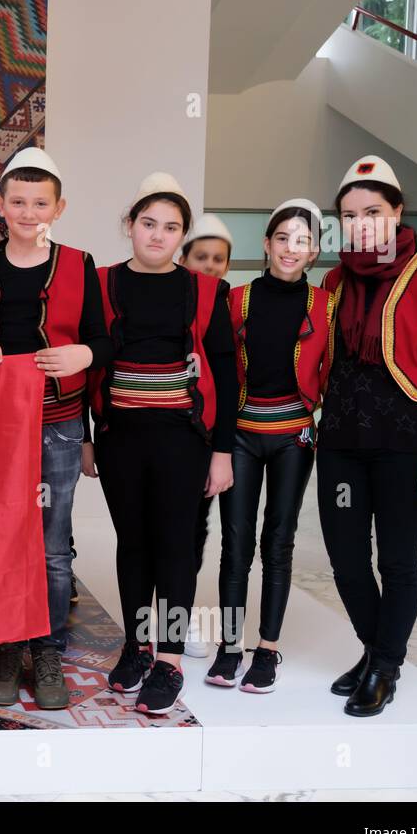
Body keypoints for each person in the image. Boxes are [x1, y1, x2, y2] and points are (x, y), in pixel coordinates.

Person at [0, 146, 112, 710]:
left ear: (58, 207)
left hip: (58, 423)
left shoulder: (79, 264)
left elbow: (104, 341)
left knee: (50, 548)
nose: (27, 212)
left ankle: (45, 649)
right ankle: (3, 645)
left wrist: (83, 355)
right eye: (17, 201)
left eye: (39, 202)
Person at [316, 155, 417, 718]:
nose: (362, 224)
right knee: (346, 559)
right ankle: (374, 650)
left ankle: (385, 668)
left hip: (408, 442)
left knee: (398, 560)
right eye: (351, 215)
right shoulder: (333, 280)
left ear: (397, 212)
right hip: (340, 443)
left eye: (373, 212)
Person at [86, 171, 238, 715]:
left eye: (170, 227)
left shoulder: (203, 290)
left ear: (183, 236)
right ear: (130, 226)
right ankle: (136, 645)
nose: (158, 235)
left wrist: (222, 451)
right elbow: (87, 363)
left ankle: (169, 660)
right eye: (148, 223)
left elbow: (224, 369)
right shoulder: (100, 283)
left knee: (175, 547)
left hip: (183, 439)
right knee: (133, 545)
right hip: (120, 436)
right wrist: (86, 436)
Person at [207, 199, 328, 693]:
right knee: (235, 543)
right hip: (240, 432)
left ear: (315, 250)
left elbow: (333, 370)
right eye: (283, 238)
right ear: (266, 243)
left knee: (278, 541)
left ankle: (268, 650)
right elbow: (216, 368)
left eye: (302, 240)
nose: (291, 248)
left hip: (294, 435)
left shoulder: (326, 305)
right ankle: (229, 646)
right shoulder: (236, 299)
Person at [176, 212, 234, 657]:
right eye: (202, 257)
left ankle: (183, 615)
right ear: (183, 257)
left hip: (213, 432)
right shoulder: (171, 298)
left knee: (196, 528)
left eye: (219, 259)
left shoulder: (232, 304)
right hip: (166, 428)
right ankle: (153, 619)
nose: (210, 265)